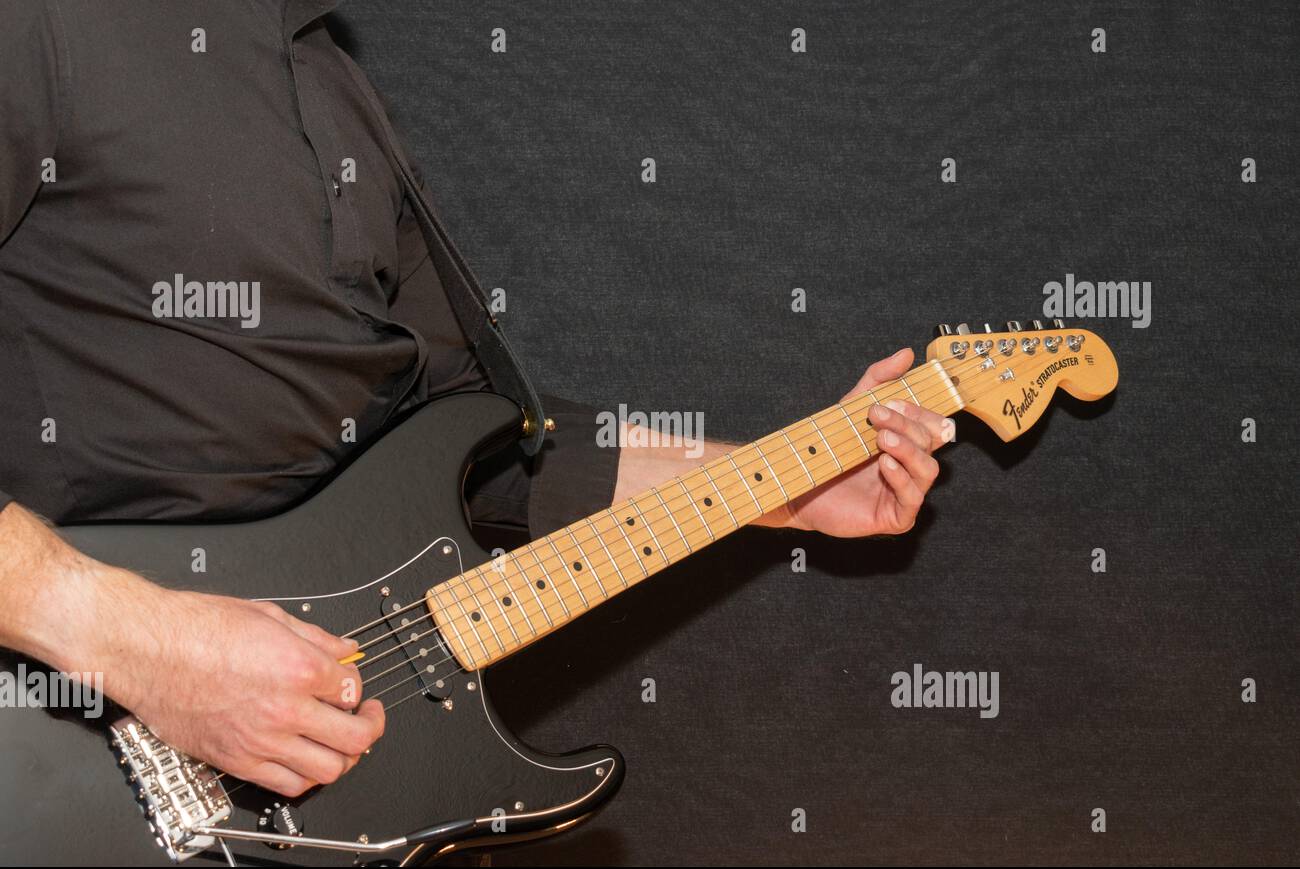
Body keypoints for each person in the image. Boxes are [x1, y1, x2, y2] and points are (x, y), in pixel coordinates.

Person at [0, 0, 952, 798]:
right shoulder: (46, 23)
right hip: (58, 756)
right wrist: (141, 646)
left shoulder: (330, 75)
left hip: (320, 782)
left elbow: (482, 445)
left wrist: (797, 482)